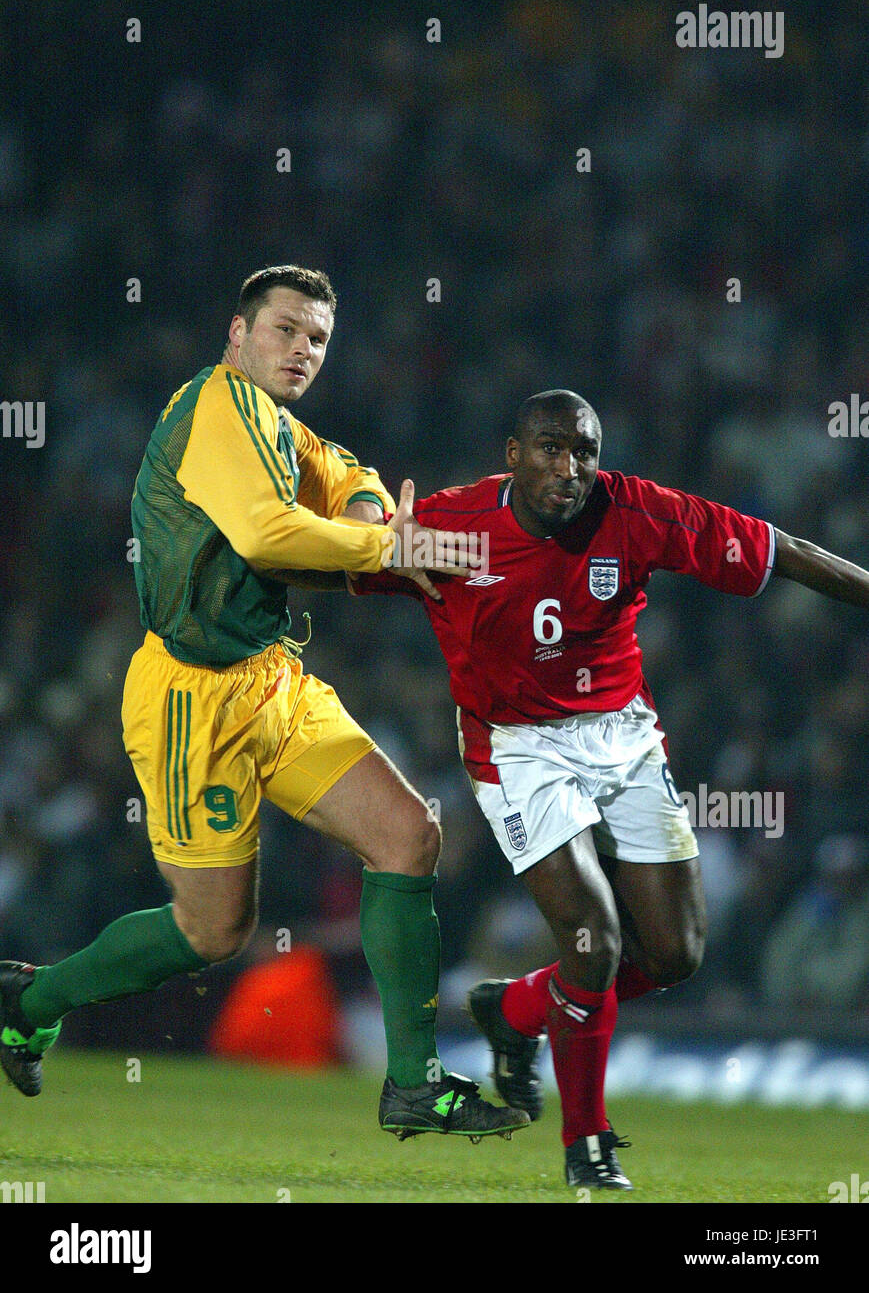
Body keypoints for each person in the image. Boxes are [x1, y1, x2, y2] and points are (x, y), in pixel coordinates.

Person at [0, 264, 529, 1144]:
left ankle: (412, 1081)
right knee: (214, 932)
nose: (301, 350)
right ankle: (31, 997)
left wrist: (372, 516)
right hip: (190, 700)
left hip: (273, 681)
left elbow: (350, 475)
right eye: (284, 330)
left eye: (316, 339)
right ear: (236, 335)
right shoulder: (216, 407)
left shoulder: (278, 428)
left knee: (408, 834)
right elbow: (265, 533)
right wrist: (389, 548)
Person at [349, 388, 869, 1187]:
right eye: (551, 449)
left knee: (674, 952)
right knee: (591, 936)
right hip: (514, 745)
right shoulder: (450, 529)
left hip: (621, 735)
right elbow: (327, 561)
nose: (570, 468)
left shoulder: (634, 512)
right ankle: (585, 1145)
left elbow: (781, 548)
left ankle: (516, 1008)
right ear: (512, 453)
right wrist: (309, 544)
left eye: (584, 451)